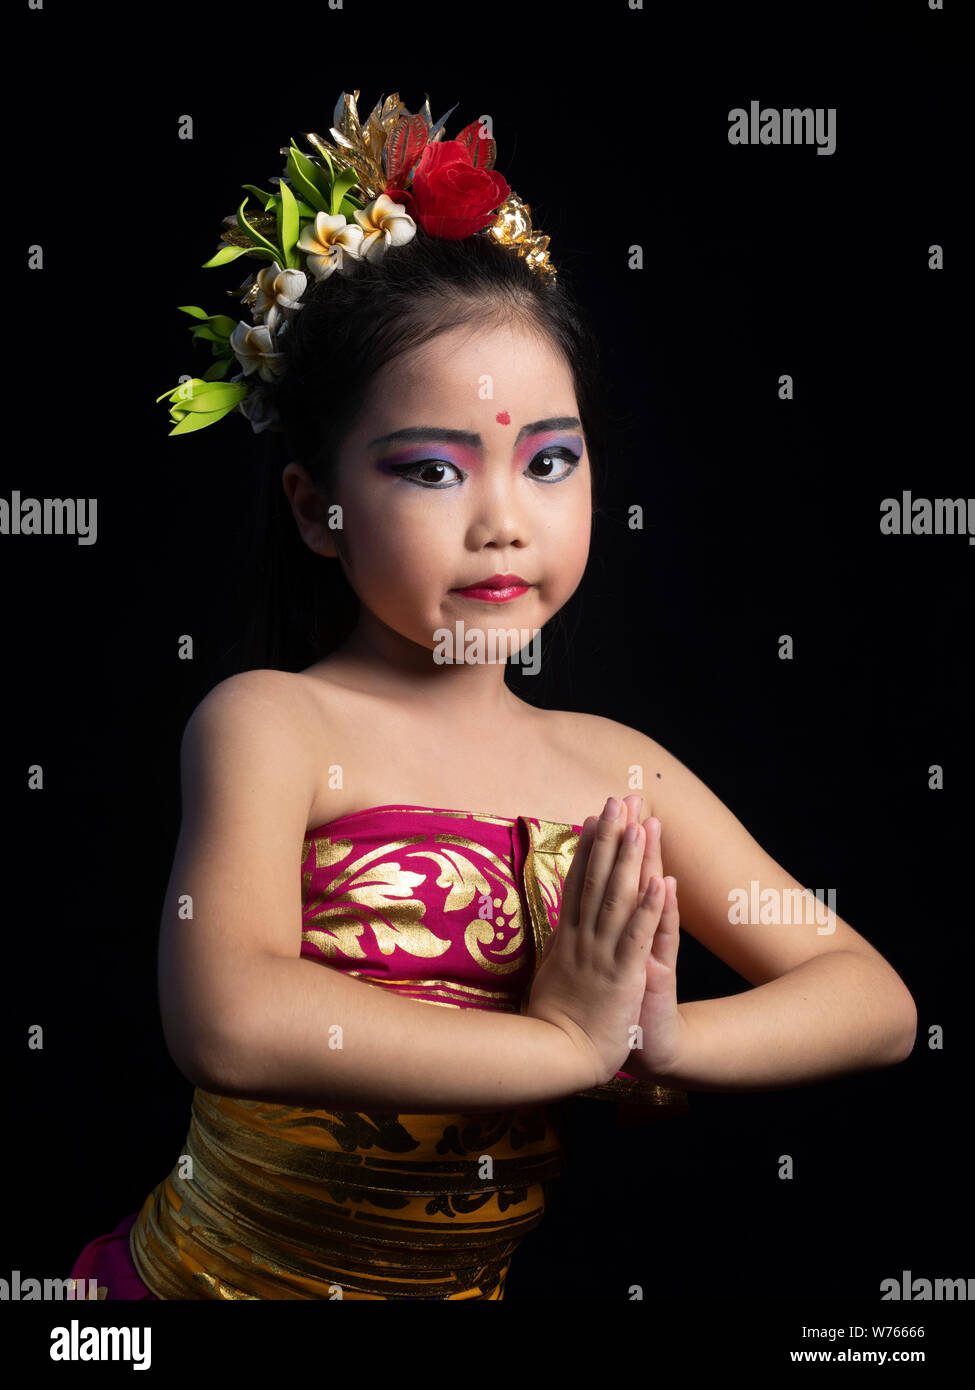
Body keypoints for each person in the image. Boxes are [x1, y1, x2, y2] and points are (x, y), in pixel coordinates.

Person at [68, 88, 917, 1301]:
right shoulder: (276, 723)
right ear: (320, 508)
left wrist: (658, 1045)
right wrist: (560, 1045)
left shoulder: (616, 765)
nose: (503, 521)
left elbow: (873, 1000)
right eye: (431, 469)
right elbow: (230, 1017)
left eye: (551, 460)